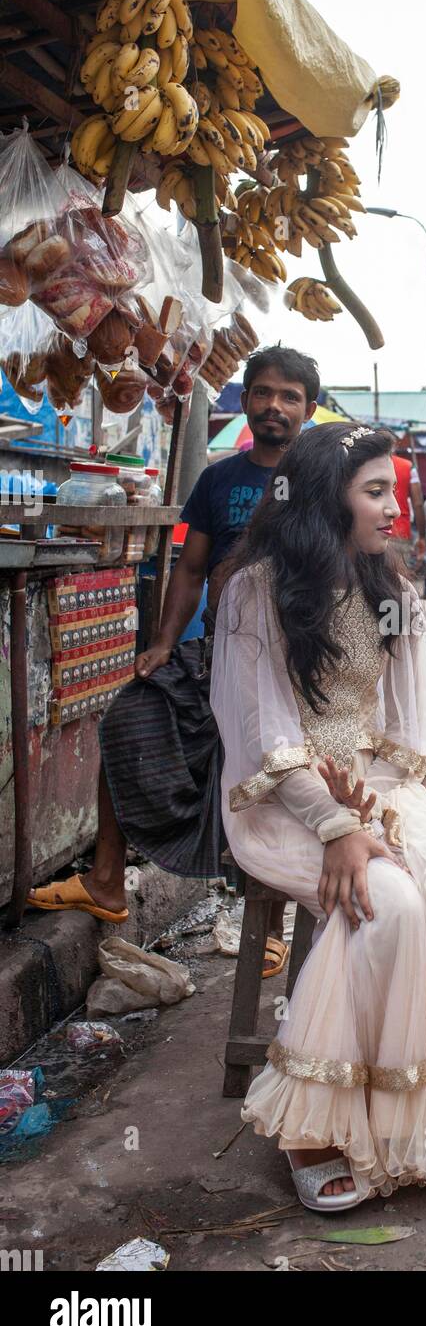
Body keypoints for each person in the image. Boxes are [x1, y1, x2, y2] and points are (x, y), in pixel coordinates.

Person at [209, 422, 426, 1210]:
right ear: (328, 499)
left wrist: (409, 814)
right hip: (285, 800)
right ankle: (316, 1128)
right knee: (386, 903)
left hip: (376, 781)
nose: (399, 506)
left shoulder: (390, 589)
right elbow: (267, 736)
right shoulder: (254, 592)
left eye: (396, 488)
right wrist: (339, 826)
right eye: (376, 491)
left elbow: (407, 721)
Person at [28, 348, 320, 978]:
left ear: (308, 408)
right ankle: (106, 880)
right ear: (245, 402)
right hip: (217, 655)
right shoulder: (218, 480)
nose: (275, 405)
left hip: (289, 667)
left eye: (290, 396)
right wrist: (162, 643)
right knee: (128, 716)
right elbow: (188, 568)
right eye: (263, 392)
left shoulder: (323, 480)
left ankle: (267, 923)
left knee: (264, 781)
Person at [391, 430, 426, 576]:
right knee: (399, 580)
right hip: (400, 532)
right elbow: (418, 503)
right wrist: (422, 535)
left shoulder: (366, 465)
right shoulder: (408, 467)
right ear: (395, 445)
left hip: (370, 532)